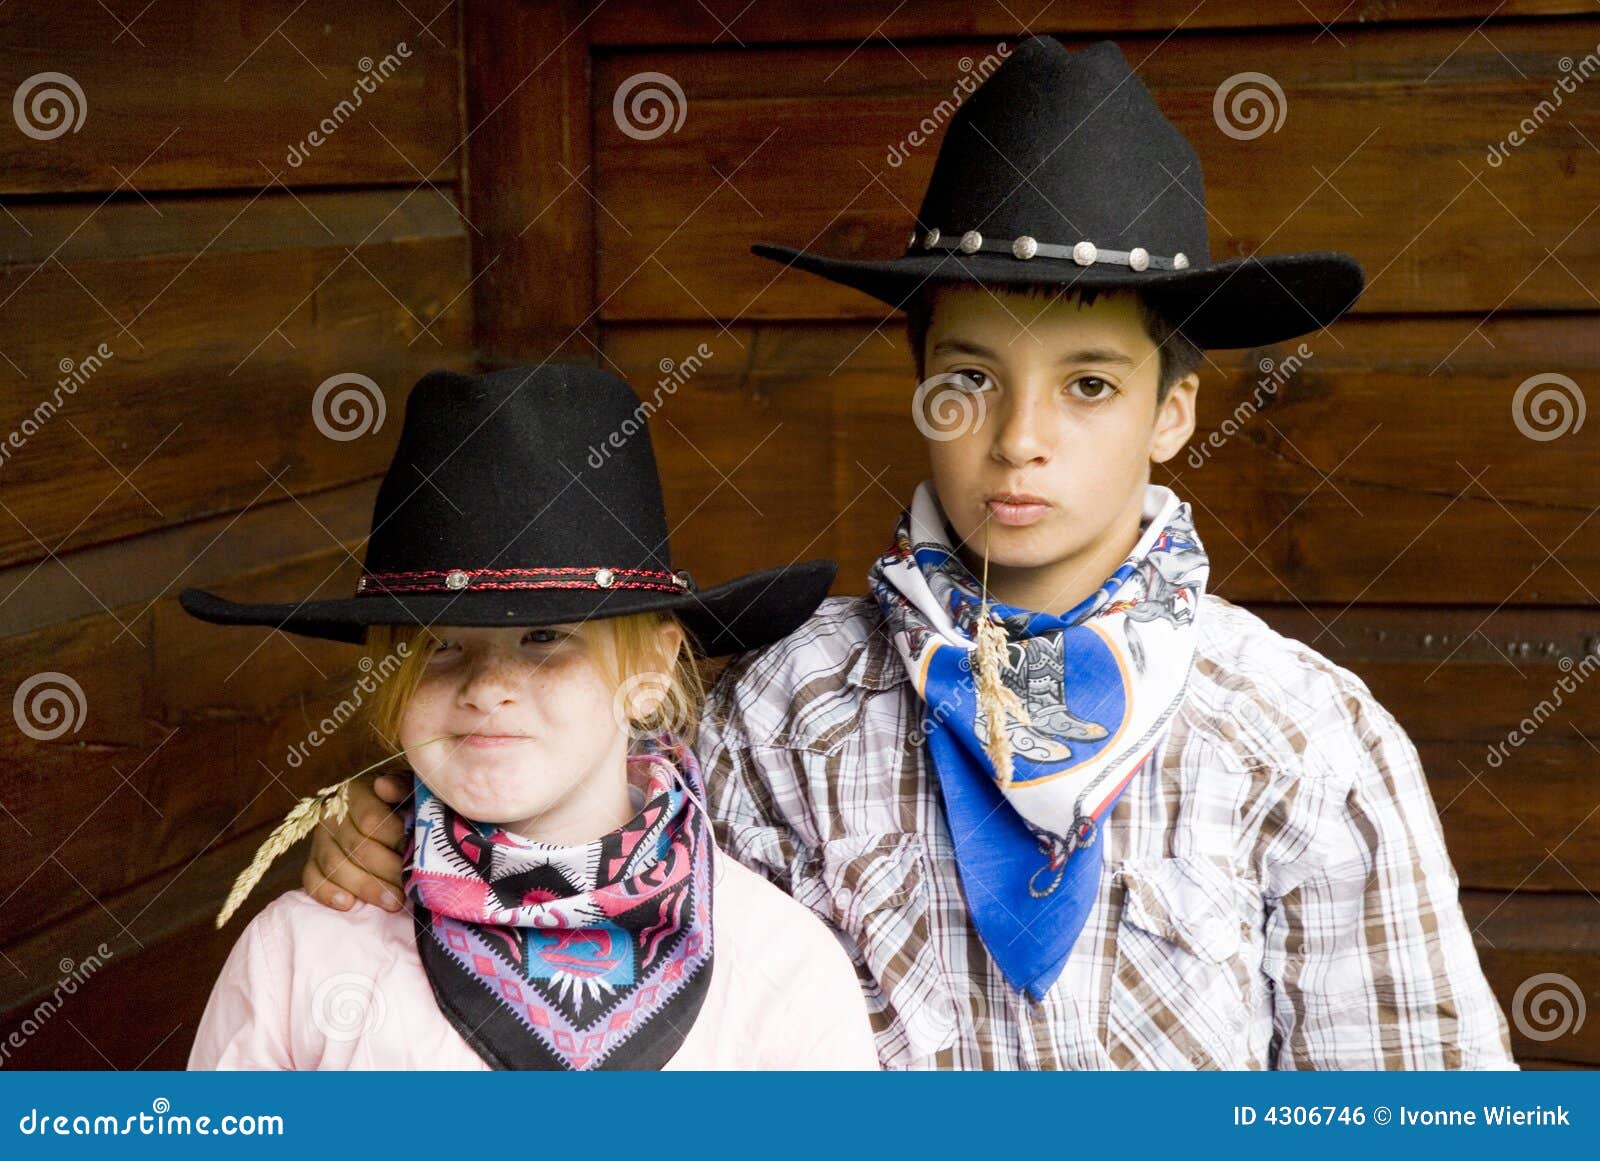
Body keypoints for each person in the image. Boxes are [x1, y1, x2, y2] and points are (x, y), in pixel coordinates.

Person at [296, 37, 1516, 1069]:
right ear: (919, 387)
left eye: (1088, 385)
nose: (1019, 440)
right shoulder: (775, 718)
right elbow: (571, 839)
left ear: (1173, 411)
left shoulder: (1297, 737)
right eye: (969, 380)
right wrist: (399, 821)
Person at [180, 364, 877, 1070]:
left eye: (545, 638)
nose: (487, 687)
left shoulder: (780, 971)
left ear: (651, 672)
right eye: (440, 644)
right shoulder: (298, 961)